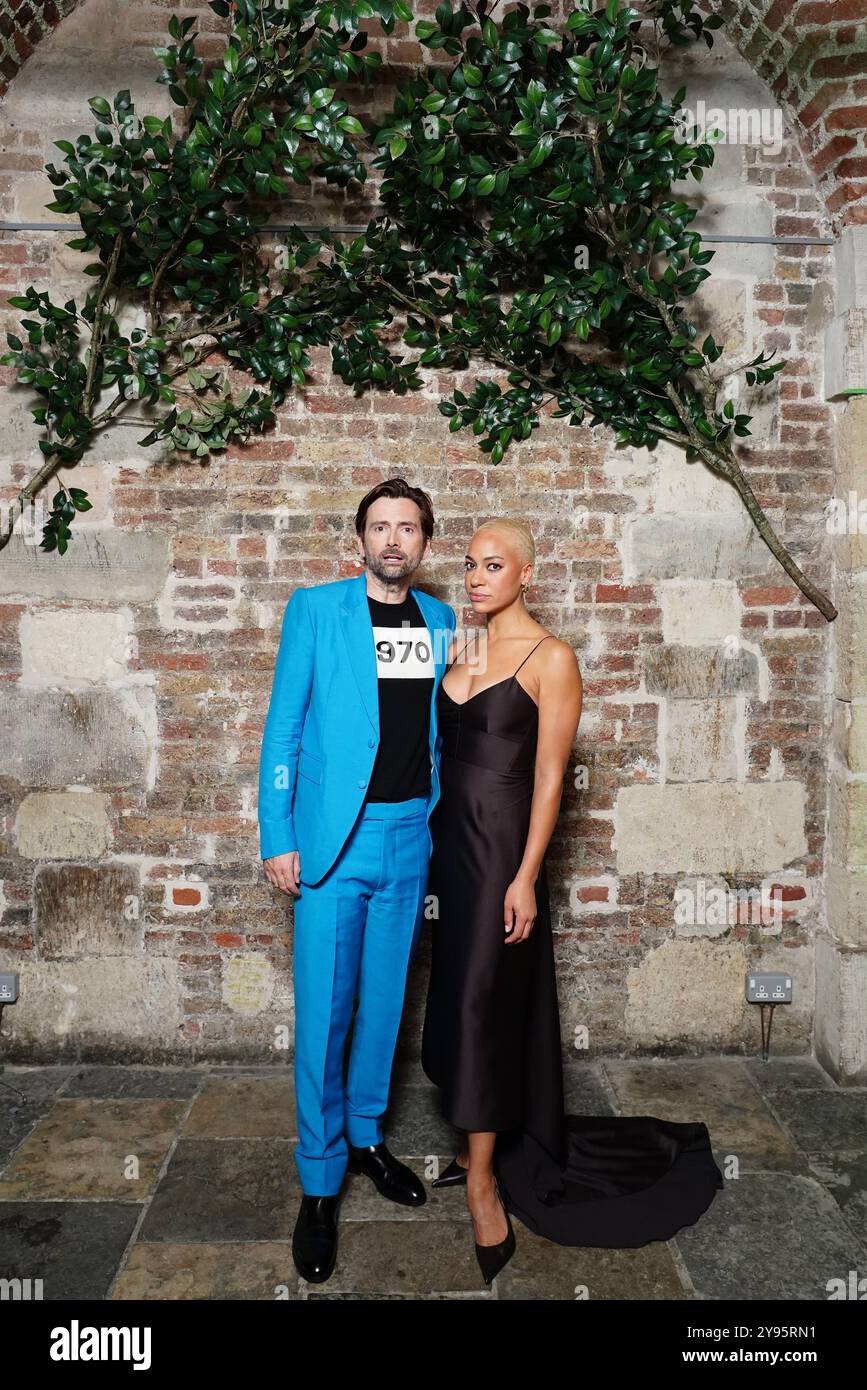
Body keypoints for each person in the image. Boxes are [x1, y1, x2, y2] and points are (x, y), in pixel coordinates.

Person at [421, 517, 724, 1286]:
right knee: (457, 999)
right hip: (444, 853)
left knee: (485, 1006)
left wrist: (524, 877)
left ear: (526, 573)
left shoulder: (551, 658)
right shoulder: (463, 647)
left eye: (493, 565)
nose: (476, 577)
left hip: (498, 859)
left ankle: (486, 1183)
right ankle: (469, 1145)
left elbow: (550, 778)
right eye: (469, 564)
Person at [258, 478, 456, 1284]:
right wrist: (279, 833)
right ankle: (318, 1184)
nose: (392, 540)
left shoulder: (444, 622)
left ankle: (369, 1139)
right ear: (359, 540)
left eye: (406, 528)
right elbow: (284, 726)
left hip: (411, 834)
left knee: (386, 1004)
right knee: (324, 1012)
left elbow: (461, 720)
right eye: (379, 527)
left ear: (424, 543)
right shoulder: (315, 609)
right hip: (331, 844)